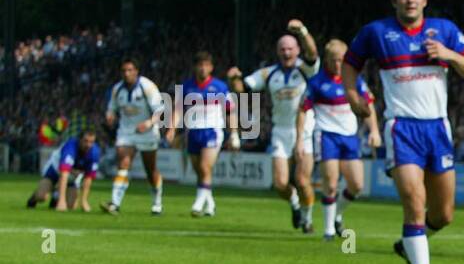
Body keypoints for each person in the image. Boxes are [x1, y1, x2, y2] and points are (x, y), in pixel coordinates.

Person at [342, 0, 464, 264]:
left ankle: (407, 246)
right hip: (401, 128)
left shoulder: (444, 30)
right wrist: (351, 95)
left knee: (444, 214)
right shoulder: (376, 32)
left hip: (437, 128)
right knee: (414, 203)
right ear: (395, 1)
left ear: (425, 0)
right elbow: (350, 63)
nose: (410, 1)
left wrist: (449, 55)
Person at [227, 20, 320, 233]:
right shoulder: (268, 74)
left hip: (306, 131)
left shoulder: (306, 69)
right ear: (278, 52)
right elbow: (243, 90)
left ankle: (307, 219)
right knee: (280, 184)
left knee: (303, 180)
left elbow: (313, 52)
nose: (287, 52)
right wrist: (234, 79)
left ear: (297, 50)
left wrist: (303, 32)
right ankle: (295, 203)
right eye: (283, 49)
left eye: (290, 48)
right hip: (280, 131)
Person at [299, 39, 380, 240]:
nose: (337, 65)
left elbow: (367, 106)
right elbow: (302, 110)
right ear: (327, 60)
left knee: (357, 185)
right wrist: (300, 138)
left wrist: (374, 131)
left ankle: (337, 214)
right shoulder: (317, 82)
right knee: (331, 182)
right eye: (334, 60)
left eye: (341, 60)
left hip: (350, 137)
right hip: (326, 136)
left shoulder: (354, 81)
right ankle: (328, 231)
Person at [164, 51, 240, 217]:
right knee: (200, 171)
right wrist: (172, 129)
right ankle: (210, 203)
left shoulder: (220, 87)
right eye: (200, 65)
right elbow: (177, 110)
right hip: (192, 132)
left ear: (211, 68)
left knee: (205, 167)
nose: (203, 69)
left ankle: (197, 205)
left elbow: (230, 112)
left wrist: (234, 134)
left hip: (212, 131)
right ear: (195, 67)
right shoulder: (186, 87)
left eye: (206, 65)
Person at [101, 58, 165, 215]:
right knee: (123, 163)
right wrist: (110, 115)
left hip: (147, 132)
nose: (126, 74)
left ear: (136, 71)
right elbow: (112, 108)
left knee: (151, 171)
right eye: (124, 71)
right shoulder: (117, 89)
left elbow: (161, 110)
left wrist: (149, 123)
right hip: (126, 131)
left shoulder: (147, 86)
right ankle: (115, 203)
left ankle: (157, 203)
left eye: (130, 70)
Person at [27, 129, 100, 211]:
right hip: (54, 172)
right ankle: (34, 198)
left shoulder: (95, 152)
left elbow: (88, 178)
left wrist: (84, 201)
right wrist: (62, 201)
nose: (88, 145)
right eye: (85, 141)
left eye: (91, 142)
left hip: (72, 178)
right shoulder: (70, 147)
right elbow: (64, 174)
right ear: (79, 140)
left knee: (71, 206)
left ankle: (55, 198)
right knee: (41, 196)